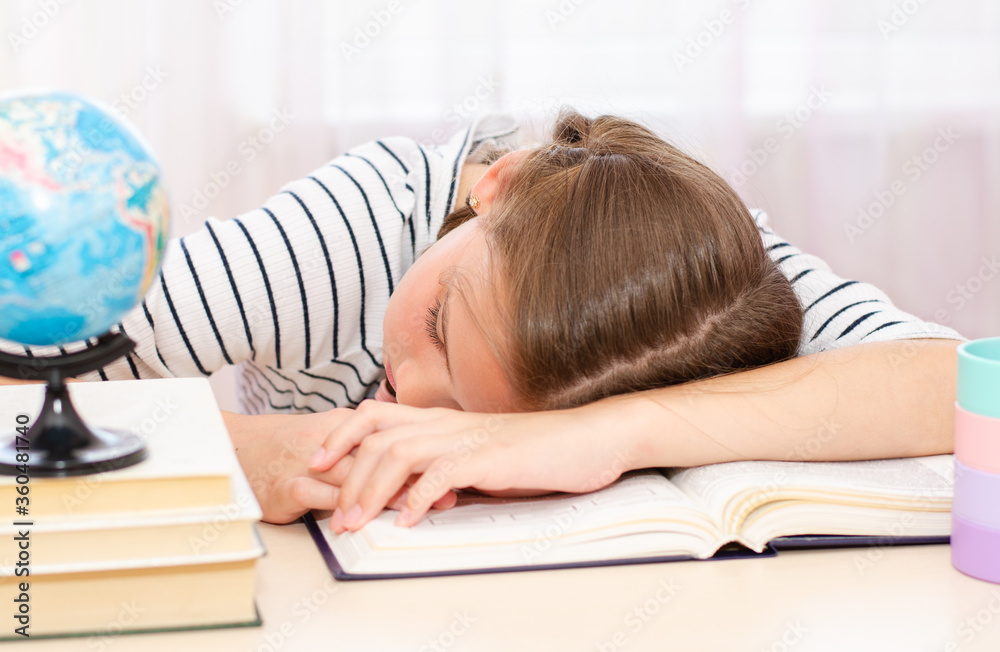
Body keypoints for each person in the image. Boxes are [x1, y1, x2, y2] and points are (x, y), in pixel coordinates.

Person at [0, 110, 963, 530]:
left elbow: (957, 380)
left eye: (482, 418)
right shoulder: (342, 243)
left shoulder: (706, 286)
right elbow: (16, 396)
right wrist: (254, 454)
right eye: (438, 328)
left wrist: (605, 434)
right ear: (493, 188)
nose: (415, 396)